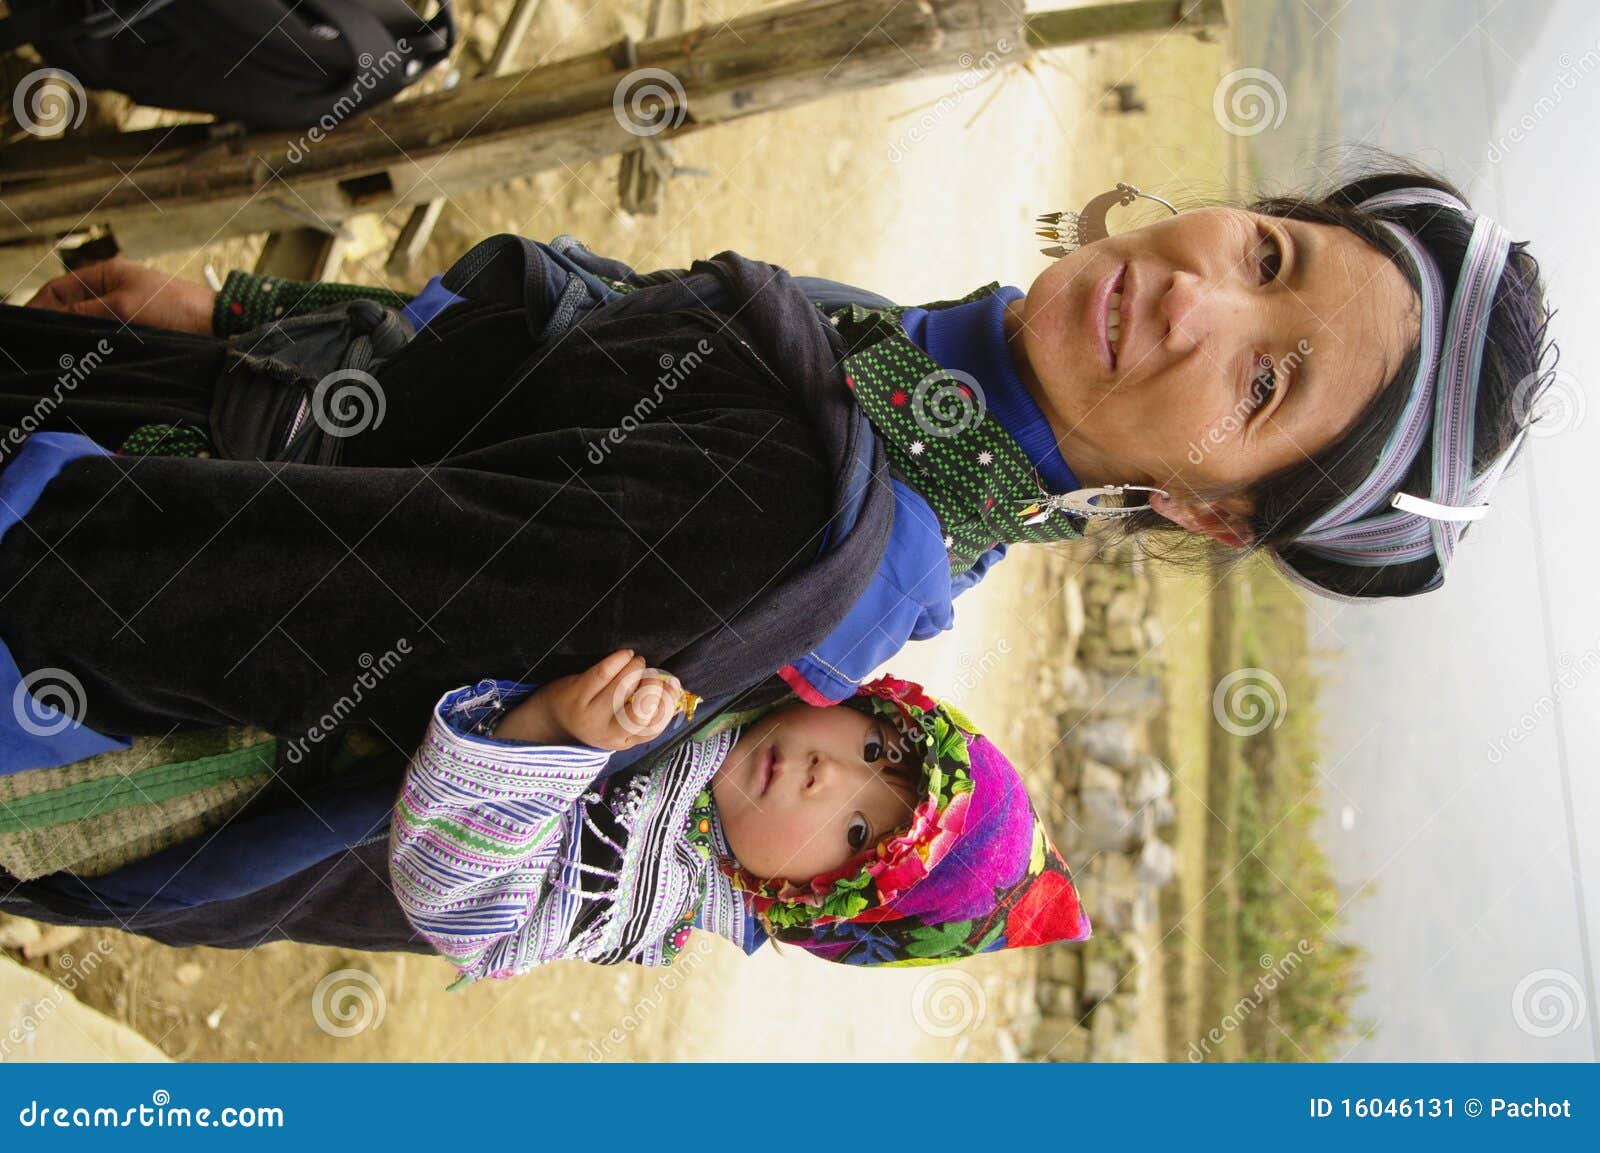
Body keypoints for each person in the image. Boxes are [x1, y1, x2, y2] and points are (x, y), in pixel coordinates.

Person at [0, 159, 1558, 931]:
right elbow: (563, 331)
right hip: (150, 435)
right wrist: (247, 319)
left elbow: (274, 609)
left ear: (1212, 511)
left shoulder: (798, 520)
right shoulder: (913, 390)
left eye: (1264, 382)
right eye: (1268, 255)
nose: (1195, 299)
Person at [387, 649, 1090, 986]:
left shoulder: (643, 892)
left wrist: (549, 726)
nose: (829, 774)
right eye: (876, 749)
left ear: (804, 901)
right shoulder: (761, 656)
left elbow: (467, 916)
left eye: (857, 834)